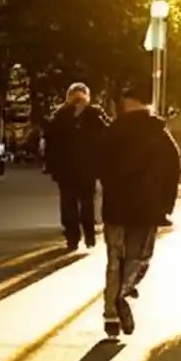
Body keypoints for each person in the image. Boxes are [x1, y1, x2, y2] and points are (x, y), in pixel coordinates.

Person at [98, 84, 180, 338]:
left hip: (116, 206)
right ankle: (124, 293)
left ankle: (111, 316)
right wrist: (167, 205)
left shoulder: (113, 131)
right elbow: (173, 170)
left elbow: (99, 164)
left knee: (115, 260)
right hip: (148, 207)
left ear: (128, 102)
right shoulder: (159, 133)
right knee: (139, 258)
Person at [45, 82, 109, 250]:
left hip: (87, 168)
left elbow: (106, 134)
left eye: (81, 94)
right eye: (75, 94)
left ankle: (88, 234)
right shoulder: (61, 115)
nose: (78, 98)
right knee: (68, 205)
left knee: (87, 203)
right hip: (66, 169)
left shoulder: (94, 114)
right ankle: (72, 237)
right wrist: (52, 166)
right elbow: (51, 142)